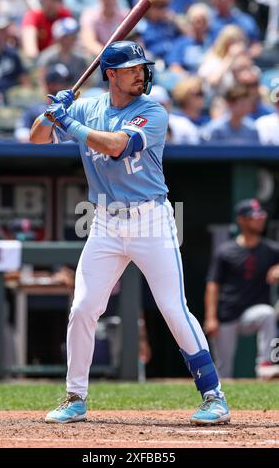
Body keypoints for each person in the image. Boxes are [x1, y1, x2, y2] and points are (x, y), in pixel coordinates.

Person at [30, 40, 230, 425]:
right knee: (84, 307)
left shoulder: (152, 110)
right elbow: (37, 138)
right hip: (103, 219)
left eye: (142, 68)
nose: (141, 73)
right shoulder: (88, 106)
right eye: (132, 68)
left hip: (150, 219)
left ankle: (213, 396)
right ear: (111, 74)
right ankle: (75, 397)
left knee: (173, 308)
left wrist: (69, 123)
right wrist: (52, 112)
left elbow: (119, 146)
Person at [205, 198, 279, 379]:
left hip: (252, 313)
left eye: (261, 215)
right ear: (242, 220)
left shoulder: (271, 250)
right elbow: (213, 285)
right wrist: (211, 317)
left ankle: (265, 364)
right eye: (254, 216)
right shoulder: (226, 250)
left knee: (267, 314)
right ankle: (223, 405)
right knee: (223, 372)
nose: (260, 219)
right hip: (227, 314)